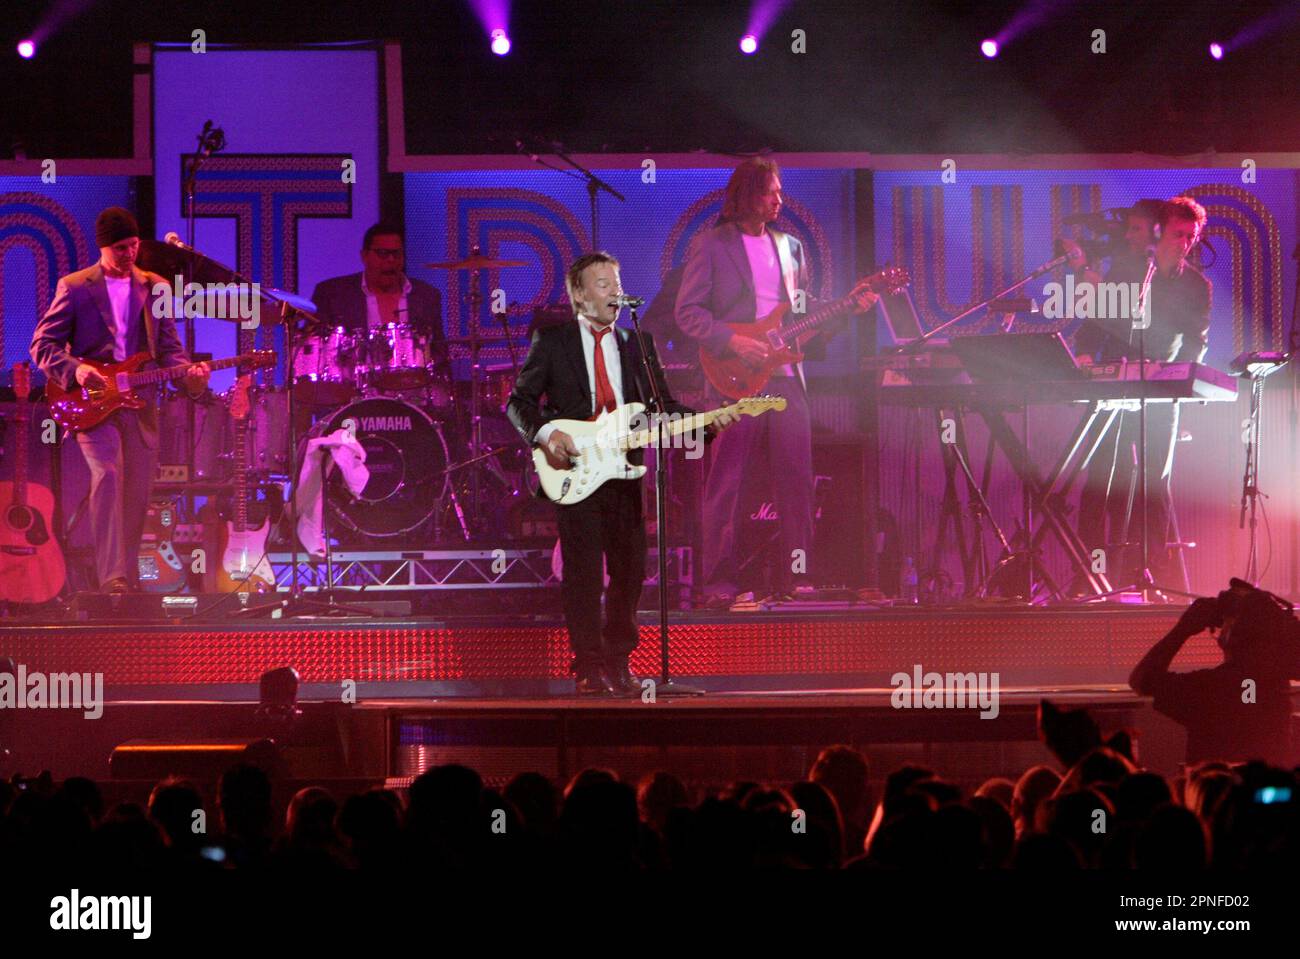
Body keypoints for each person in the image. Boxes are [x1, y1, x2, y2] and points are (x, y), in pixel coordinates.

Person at [507, 252, 733, 694]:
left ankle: (619, 663)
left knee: (630, 571)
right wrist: (547, 435)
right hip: (576, 469)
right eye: (603, 283)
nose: (615, 291)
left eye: (617, 281)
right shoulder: (553, 341)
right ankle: (589, 666)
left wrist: (706, 422)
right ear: (579, 294)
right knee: (585, 573)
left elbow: (662, 410)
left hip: (627, 473)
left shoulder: (637, 344)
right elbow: (519, 403)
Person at [675, 158, 876, 607]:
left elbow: (801, 319)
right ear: (747, 194)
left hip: (785, 377)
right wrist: (733, 342)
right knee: (727, 482)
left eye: (780, 192)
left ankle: (797, 577)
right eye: (770, 192)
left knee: (797, 481)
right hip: (732, 377)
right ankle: (716, 584)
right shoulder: (711, 245)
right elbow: (687, 313)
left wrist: (847, 310)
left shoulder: (792, 247)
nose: (779, 200)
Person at [30, 206, 209, 593]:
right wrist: (77, 370)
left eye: (133, 245)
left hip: (139, 405)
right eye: (120, 248)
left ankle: (125, 582)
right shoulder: (76, 286)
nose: (129, 254)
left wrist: (191, 378)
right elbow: (42, 345)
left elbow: (169, 350)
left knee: (138, 492)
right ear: (103, 248)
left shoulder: (157, 287)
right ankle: (113, 576)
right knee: (108, 474)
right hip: (92, 404)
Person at [1070, 197, 1211, 591]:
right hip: (1115, 384)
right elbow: (1098, 318)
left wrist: (1174, 378)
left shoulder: (1196, 285)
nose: (1183, 242)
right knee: (1101, 480)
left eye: (1190, 235)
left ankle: (1157, 579)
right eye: (1176, 233)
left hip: (1161, 389)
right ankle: (1089, 577)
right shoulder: (1130, 271)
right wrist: (1083, 350)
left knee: (1154, 483)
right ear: (1159, 233)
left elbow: (1194, 341)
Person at [1128, 578, 1300, 764]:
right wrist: (1274, 617)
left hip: (1215, 791)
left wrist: (1183, 629)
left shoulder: (1211, 688)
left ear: (1232, 636)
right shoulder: (1277, 684)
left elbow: (1142, 679)